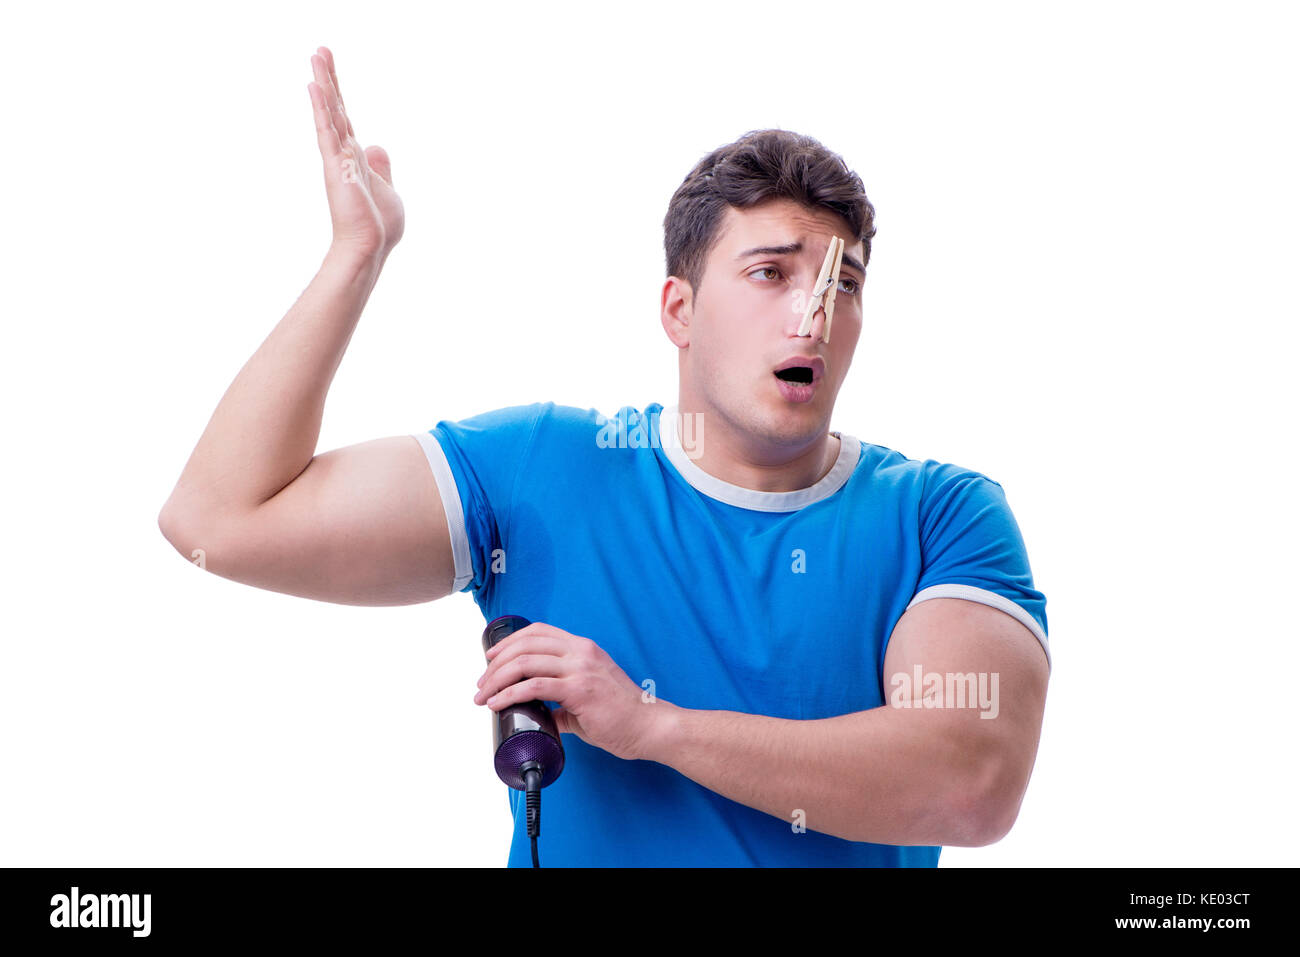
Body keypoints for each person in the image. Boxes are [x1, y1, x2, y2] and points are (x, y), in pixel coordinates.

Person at [159, 46, 1051, 867]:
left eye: (841, 283)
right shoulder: (544, 470)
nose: (812, 314)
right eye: (771, 272)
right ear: (679, 310)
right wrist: (356, 255)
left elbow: (969, 784)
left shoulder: (944, 515)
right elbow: (218, 519)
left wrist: (653, 725)